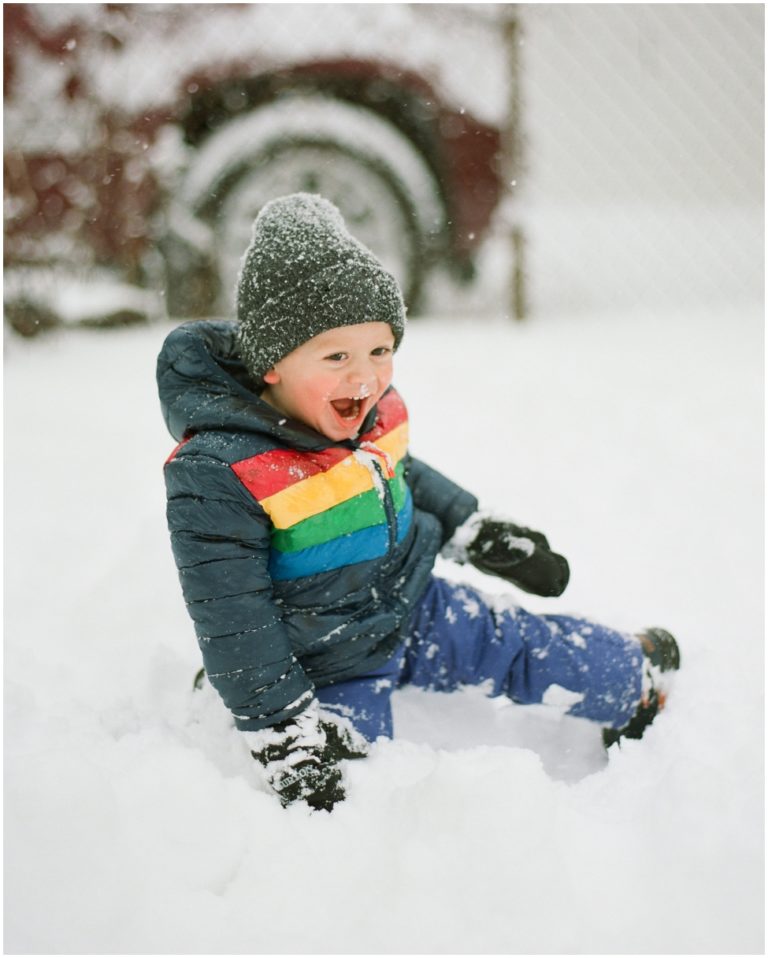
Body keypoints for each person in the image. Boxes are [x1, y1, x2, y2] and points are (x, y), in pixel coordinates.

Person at [157, 193, 680, 812]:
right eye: (338, 357)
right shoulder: (221, 471)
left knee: (514, 641)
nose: (366, 378)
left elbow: (398, 474)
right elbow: (232, 613)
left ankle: (633, 678)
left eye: (380, 352)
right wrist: (282, 727)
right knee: (358, 801)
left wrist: (476, 531)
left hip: (412, 602)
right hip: (323, 664)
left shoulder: (359, 417)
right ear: (273, 363)